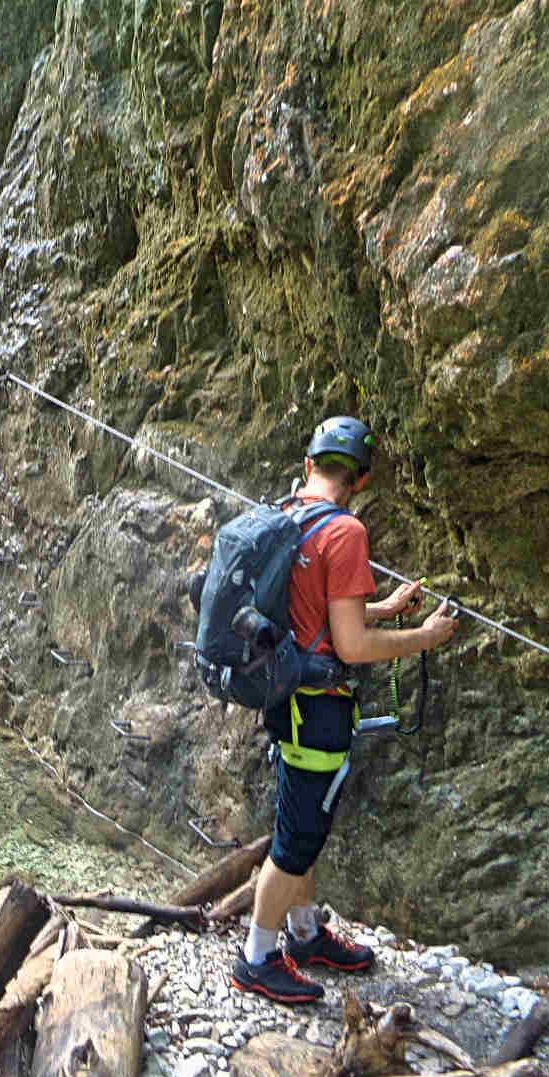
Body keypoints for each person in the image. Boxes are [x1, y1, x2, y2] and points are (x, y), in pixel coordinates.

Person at [231, 415, 459, 1004]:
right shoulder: (347, 533)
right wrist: (425, 638)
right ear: (359, 480)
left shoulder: (286, 515)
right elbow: (350, 646)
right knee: (295, 841)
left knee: (303, 826)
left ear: (309, 466)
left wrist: (382, 607)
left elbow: (323, 619)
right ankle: (255, 959)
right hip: (319, 709)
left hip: (286, 696)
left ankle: (304, 938)